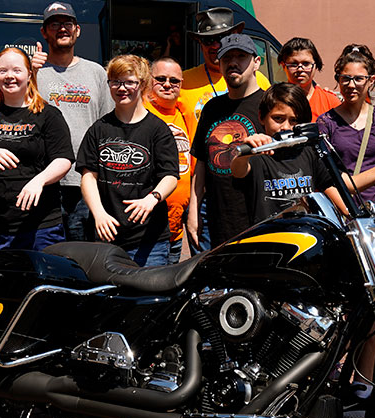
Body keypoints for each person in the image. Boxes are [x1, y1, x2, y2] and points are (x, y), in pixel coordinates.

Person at [0, 46, 74, 252]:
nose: (9, 76)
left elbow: (63, 159)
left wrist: (39, 181)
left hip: (40, 226)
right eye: (2, 71)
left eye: (17, 70)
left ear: (29, 74)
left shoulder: (48, 114)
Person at [78, 55, 179, 266]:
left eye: (129, 82)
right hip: (107, 237)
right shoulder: (98, 129)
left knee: (147, 298)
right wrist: (99, 214)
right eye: (115, 81)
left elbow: (170, 175)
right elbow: (88, 177)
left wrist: (152, 198)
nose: (121, 88)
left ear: (142, 84)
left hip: (150, 242)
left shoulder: (158, 130)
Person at [31, 1, 113, 241]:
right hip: (44, 182)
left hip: (84, 182)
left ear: (77, 30)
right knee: (47, 254)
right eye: (54, 24)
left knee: (81, 257)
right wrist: (31, 73)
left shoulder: (97, 72)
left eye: (67, 23)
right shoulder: (34, 73)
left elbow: (106, 127)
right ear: (44, 32)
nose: (62, 29)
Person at [189, 33, 267, 249]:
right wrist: (193, 212)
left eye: (241, 56)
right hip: (217, 219)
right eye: (226, 58)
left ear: (256, 63)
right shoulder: (211, 108)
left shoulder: (270, 104)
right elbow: (201, 163)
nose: (233, 63)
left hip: (259, 219)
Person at [232, 83, 346, 222]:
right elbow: (238, 170)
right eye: (278, 118)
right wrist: (246, 151)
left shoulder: (308, 151)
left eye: (294, 121)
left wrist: (350, 215)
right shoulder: (257, 153)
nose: (286, 127)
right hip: (270, 237)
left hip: (305, 235)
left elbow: (331, 185)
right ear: (262, 117)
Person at [316, 44, 375, 202]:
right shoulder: (326, 123)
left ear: (371, 80)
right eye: (345, 79)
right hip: (344, 209)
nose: (351, 85)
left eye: (359, 79)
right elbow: (325, 174)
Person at [142, 56, 195, 261]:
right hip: (149, 228)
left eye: (174, 81)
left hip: (177, 230)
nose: (167, 84)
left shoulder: (185, 113)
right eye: (161, 78)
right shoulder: (141, 112)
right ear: (149, 80)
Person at [179, 7, 272, 121]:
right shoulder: (182, 82)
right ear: (200, 42)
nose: (215, 46)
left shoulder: (257, 80)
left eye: (221, 38)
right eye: (208, 40)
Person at [278, 37, 339, 119]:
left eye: (306, 64)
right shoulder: (275, 100)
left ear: (316, 65)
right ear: (283, 65)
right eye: (294, 64)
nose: (300, 69)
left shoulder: (330, 102)